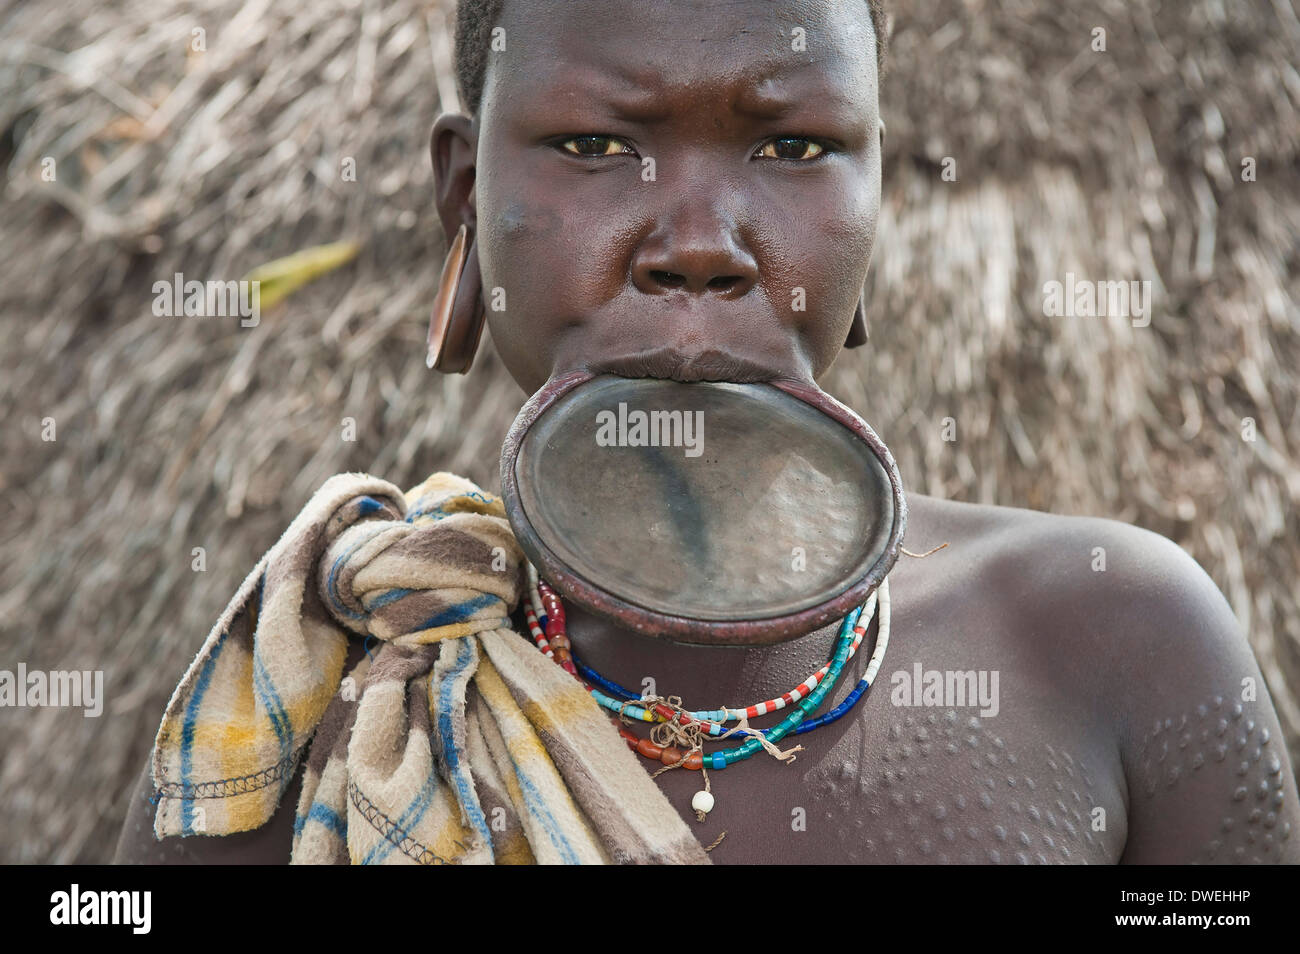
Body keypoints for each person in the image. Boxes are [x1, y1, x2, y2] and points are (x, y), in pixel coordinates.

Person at [115, 0, 1298, 864]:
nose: (698, 242)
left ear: (875, 204)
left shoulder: (1118, 650)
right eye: (594, 146)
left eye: (792, 148)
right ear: (463, 199)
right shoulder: (303, 715)